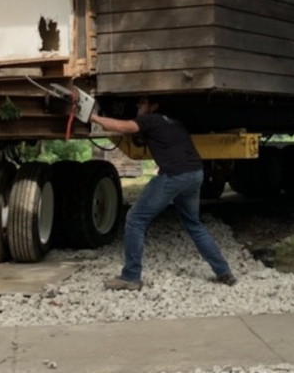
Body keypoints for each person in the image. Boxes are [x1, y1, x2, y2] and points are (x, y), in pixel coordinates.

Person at [90, 96, 236, 291]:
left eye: (141, 103)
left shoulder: (151, 119)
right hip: (195, 174)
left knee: (135, 219)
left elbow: (123, 127)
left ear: (153, 107)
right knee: (194, 224)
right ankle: (224, 272)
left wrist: (94, 118)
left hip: (174, 176)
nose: (138, 106)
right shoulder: (174, 123)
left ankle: (131, 277)